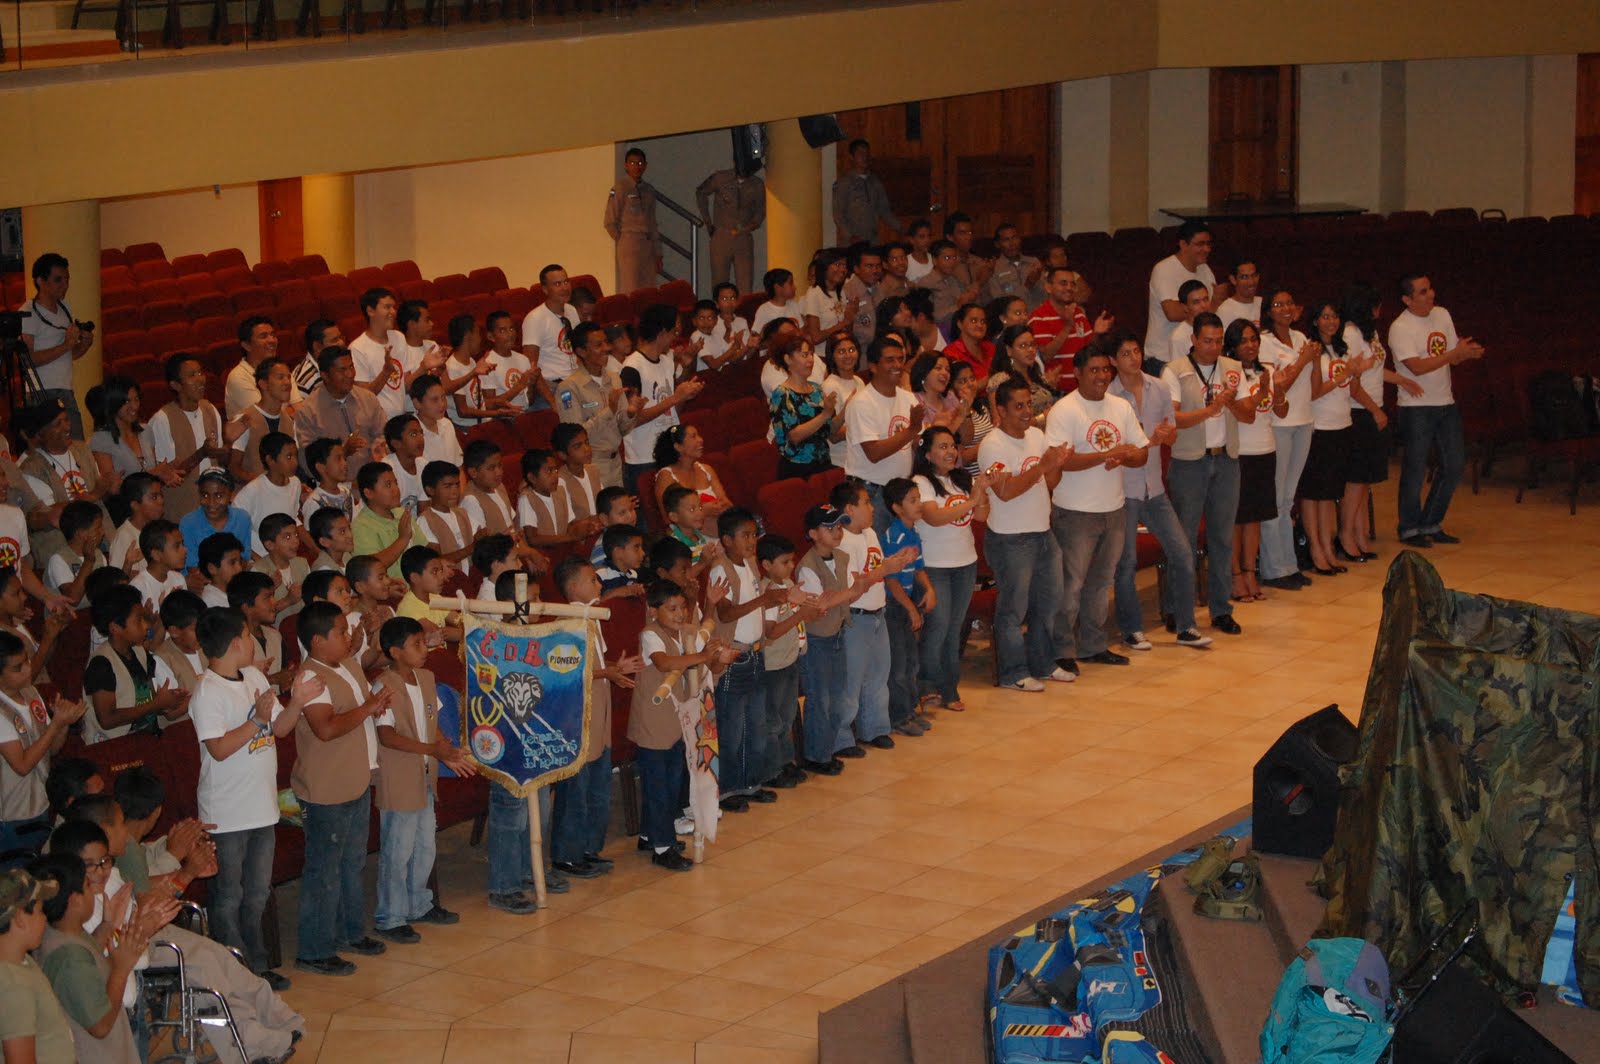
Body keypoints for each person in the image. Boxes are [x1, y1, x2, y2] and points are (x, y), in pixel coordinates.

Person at [192, 606, 321, 987]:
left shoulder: (253, 676)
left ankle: (259, 967)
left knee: (258, 894)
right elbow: (217, 748)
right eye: (249, 635)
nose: (254, 641)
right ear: (235, 642)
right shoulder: (207, 692)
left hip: (261, 808)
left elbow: (280, 728)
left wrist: (296, 701)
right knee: (228, 898)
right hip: (227, 814)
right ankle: (235, 973)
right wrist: (256, 721)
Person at [292, 601, 391, 975]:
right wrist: (369, 708)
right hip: (326, 787)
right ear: (317, 641)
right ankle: (314, 950)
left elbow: (356, 710)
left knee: (352, 863)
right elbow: (327, 728)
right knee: (324, 870)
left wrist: (372, 706)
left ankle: (350, 931)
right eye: (341, 631)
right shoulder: (309, 679)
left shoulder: (347, 664)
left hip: (356, 778)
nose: (348, 636)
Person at [1046, 344, 1151, 677]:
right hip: (1075, 512)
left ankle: (1093, 645)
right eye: (1094, 370)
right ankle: (1062, 649)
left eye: (1105, 369)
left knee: (1100, 582)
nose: (1102, 376)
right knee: (1071, 585)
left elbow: (1142, 453)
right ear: (1076, 373)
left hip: (1114, 508)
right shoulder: (1064, 410)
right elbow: (1061, 462)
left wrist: (1125, 456)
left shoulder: (1120, 406)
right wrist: (1108, 455)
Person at [371, 616, 472, 944]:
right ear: (395, 651)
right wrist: (432, 749)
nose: (424, 648)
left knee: (425, 844)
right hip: (399, 777)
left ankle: (419, 903)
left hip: (425, 776)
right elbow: (387, 736)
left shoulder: (427, 678)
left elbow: (434, 723)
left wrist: (448, 751)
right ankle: (390, 916)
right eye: (416, 644)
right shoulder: (383, 686)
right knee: (397, 849)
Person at [631, 581, 734, 872]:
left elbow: (707, 660)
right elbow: (663, 663)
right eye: (671, 608)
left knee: (672, 780)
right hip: (654, 723)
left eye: (683, 608)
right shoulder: (650, 634)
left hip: (680, 723)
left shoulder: (688, 633)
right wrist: (704, 656)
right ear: (654, 611)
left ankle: (650, 835)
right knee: (658, 785)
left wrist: (717, 658)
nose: (679, 614)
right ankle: (662, 849)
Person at [30, 841, 164, 1064]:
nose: (93, 891)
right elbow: (100, 1025)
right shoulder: (67, 957)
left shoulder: (64, 932)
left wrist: (108, 927)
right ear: (74, 900)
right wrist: (121, 969)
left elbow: (92, 966)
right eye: (85, 885)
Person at [1160, 313, 1250, 636]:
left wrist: (1231, 404)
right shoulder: (1175, 371)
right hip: (1189, 463)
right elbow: (1172, 418)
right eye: (1207, 341)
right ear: (1194, 340)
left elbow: (1249, 414)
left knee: (1222, 539)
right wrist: (1210, 411)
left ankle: (1221, 610)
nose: (1214, 347)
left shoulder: (1233, 369)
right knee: (1182, 541)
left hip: (1226, 460)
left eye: (1219, 341)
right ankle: (1175, 608)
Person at [549, 558, 640, 878]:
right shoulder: (565, 621)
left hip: (598, 708)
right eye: (592, 580)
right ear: (573, 588)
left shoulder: (592, 617)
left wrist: (613, 670)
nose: (599, 585)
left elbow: (596, 664)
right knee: (576, 789)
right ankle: (567, 854)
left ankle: (589, 847)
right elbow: (565, 669)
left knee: (598, 786)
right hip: (576, 715)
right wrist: (609, 671)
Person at [977, 378, 1070, 691]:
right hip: (1010, 539)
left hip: (1043, 532)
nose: (1027, 411)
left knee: (1049, 601)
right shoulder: (992, 444)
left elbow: (1051, 483)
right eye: (1019, 406)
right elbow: (1005, 492)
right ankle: (1013, 673)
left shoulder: (1036, 435)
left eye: (1029, 404)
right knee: (1012, 609)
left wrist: (1057, 464)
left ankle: (1043, 664)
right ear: (1001, 410)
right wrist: (1043, 467)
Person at [1388, 274, 1482, 548]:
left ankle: (1431, 522)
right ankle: (1409, 527)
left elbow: (1451, 354)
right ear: (1407, 299)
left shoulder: (1442, 315)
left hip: (1445, 402)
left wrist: (1469, 353)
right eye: (1423, 292)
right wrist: (1454, 355)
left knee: (1454, 465)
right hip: (1416, 407)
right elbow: (1416, 367)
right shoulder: (1400, 327)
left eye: (1430, 289)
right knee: (1415, 469)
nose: (1431, 295)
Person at [706, 508, 788, 811]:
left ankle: (751, 782)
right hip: (733, 656)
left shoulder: (750, 563)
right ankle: (728, 789)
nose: (752, 541)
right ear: (726, 540)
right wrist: (764, 600)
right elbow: (725, 613)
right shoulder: (720, 569)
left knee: (755, 725)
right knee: (732, 728)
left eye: (754, 535)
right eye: (745, 536)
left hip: (754, 652)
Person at [910, 425, 988, 710]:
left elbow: (981, 516)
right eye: (942, 447)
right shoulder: (920, 482)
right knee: (938, 626)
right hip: (935, 565)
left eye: (952, 446)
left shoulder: (961, 479)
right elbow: (934, 518)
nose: (950, 451)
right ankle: (926, 685)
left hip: (965, 563)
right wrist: (972, 500)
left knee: (954, 628)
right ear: (927, 453)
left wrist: (980, 492)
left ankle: (950, 689)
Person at [1339, 283, 1409, 562]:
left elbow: (1376, 371)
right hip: (1360, 411)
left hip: (1373, 407)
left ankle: (1360, 534)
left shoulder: (1371, 333)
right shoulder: (1351, 334)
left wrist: (1402, 379)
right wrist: (1376, 412)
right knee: (1356, 479)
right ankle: (1346, 535)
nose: (1380, 310)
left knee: (1365, 480)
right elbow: (1354, 385)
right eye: (1376, 305)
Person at [0, 631, 83, 860]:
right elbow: (22, 765)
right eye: (18, 667)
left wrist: (63, 723)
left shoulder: (31, 692)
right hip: (12, 813)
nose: (28, 668)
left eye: (27, 660)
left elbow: (52, 749)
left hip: (41, 803)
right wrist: (55, 725)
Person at [1257, 290, 1319, 591]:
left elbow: (1313, 383)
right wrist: (1304, 359)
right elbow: (1278, 384)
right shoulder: (1265, 343)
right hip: (1279, 425)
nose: (1284, 308)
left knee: (1288, 498)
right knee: (1276, 498)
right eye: (1277, 304)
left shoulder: (1301, 337)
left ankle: (1289, 564)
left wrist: (1311, 358)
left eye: (1289, 304)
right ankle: (1273, 568)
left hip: (1304, 421)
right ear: (1269, 311)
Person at [1299, 300, 1366, 575]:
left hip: (1343, 425)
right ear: (1315, 321)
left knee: (1329, 494)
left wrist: (1354, 374)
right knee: (1312, 493)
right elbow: (1313, 392)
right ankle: (1316, 548)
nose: (1330, 321)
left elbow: (1351, 388)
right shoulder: (1313, 350)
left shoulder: (1341, 349)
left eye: (1334, 316)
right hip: (1319, 427)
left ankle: (1328, 547)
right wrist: (1345, 375)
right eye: (1324, 316)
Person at [1226, 320, 1287, 604]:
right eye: (1243, 340)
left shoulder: (1269, 371)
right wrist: (1262, 392)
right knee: (1237, 518)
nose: (1250, 345)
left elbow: (1280, 412)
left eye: (1254, 339)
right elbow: (1245, 414)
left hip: (1266, 449)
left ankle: (1251, 571)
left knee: (1256, 518)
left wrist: (1280, 393)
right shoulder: (1230, 373)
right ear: (1234, 346)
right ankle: (1235, 575)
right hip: (1240, 453)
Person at [83, 586, 185, 743]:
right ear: (115, 628)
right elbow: (107, 719)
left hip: (148, 737)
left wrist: (168, 700)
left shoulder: (139, 652)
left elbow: (149, 697)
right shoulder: (101, 663)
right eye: (139, 620)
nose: (146, 626)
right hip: (115, 747)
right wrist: (155, 704)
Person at [622, 305, 703, 501]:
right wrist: (675, 397)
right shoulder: (632, 367)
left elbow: (671, 411)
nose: (677, 336)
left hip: (668, 451)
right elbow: (631, 421)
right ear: (662, 332)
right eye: (674, 331)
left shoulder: (666, 361)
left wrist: (683, 396)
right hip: (643, 456)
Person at [844, 337, 923, 536]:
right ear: (873, 366)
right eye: (890, 360)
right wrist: (911, 430)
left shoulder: (908, 398)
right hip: (871, 492)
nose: (897, 365)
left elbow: (916, 443)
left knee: (901, 553)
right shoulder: (862, 402)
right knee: (875, 555)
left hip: (901, 491)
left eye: (900, 359)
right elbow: (874, 452)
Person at [145, 353, 236, 520]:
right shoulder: (163, 419)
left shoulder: (210, 410)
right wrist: (202, 453)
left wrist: (225, 451)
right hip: (183, 509)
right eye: (191, 376)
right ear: (176, 385)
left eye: (200, 373)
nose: (200, 379)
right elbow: (171, 474)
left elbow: (220, 462)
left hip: (213, 506)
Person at [0, 866, 74, 1064]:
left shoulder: (23, 962)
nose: (45, 919)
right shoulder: (13, 984)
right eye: (40, 912)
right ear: (20, 919)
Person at [18, 253, 92, 439]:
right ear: (40, 281)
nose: (64, 285)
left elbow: (69, 355)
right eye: (58, 280)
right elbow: (28, 359)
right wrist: (67, 345)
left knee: (77, 448)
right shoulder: (28, 312)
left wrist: (84, 345)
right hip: (41, 393)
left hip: (65, 390)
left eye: (67, 279)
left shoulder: (64, 307)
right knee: (53, 451)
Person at [881, 478, 933, 737]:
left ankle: (910, 710)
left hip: (908, 601)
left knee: (911, 661)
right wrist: (910, 608)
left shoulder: (913, 532)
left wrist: (929, 589)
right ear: (897, 508)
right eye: (912, 500)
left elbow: (919, 568)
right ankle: (898, 717)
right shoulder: (895, 535)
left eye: (918, 498)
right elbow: (890, 579)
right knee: (899, 664)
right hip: (895, 605)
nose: (919, 504)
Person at [557, 321, 633, 489]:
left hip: (617, 463)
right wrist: (609, 410)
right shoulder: (569, 387)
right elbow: (574, 438)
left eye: (606, 342)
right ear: (581, 352)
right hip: (591, 465)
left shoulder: (614, 378)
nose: (606, 348)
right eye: (599, 345)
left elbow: (623, 428)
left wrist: (631, 413)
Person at [293, 346, 387, 475]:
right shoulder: (308, 411)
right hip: (336, 487)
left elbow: (382, 434)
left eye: (351, 367)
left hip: (372, 479)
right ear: (325, 375)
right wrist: (343, 452)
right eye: (342, 370)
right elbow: (308, 461)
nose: (350, 374)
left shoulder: (367, 398)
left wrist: (379, 447)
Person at [1144, 221, 1221, 370]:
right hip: (1163, 357)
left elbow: (1210, 311)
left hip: (1195, 354)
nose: (1206, 249)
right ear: (1183, 244)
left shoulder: (1205, 269)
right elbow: (1172, 313)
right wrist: (1214, 303)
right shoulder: (1164, 269)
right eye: (1200, 244)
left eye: (1208, 244)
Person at [769, 336, 837, 480]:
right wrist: (825, 414)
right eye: (804, 355)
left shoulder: (816, 389)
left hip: (823, 461)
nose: (811, 360)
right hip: (798, 468)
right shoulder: (782, 394)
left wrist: (848, 407)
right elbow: (794, 436)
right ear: (788, 359)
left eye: (811, 354)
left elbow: (830, 429)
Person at [1030, 266, 1112, 387]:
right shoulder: (1038, 317)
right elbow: (1045, 356)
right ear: (1048, 287)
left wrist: (1097, 333)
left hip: (1081, 389)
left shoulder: (1079, 314)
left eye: (1072, 284)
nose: (1069, 288)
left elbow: (1089, 351)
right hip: (1055, 392)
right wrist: (1067, 326)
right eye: (1063, 283)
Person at [86, 376, 170, 489]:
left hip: (150, 503)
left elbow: (154, 473)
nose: (134, 406)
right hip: (121, 504)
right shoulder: (101, 439)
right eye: (127, 401)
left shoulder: (146, 431)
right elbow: (111, 488)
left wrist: (166, 474)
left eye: (136, 399)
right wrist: (153, 474)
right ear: (114, 403)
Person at [697, 165, 765, 293]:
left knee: (745, 284)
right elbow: (701, 192)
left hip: (743, 236)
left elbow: (761, 210)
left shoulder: (757, 184)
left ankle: (743, 312)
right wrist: (708, 223)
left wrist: (752, 225)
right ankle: (720, 311)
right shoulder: (721, 178)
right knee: (719, 283)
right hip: (722, 233)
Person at [352, 462, 427, 580]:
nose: (395, 489)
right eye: (388, 485)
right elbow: (369, 570)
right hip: (391, 593)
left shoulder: (401, 513)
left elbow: (424, 551)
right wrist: (403, 539)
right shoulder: (360, 526)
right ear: (369, 493)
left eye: (395, 483)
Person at [652, 425, 733, 532]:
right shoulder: (666, 476)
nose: (701, 440)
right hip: (691, 536)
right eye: (693, 437)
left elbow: (726, 504)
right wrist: (702, 511)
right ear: (678, 447)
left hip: (719, 528)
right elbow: (669, 519)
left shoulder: (706, 469)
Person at [521, 264, 581, 410]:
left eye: (566, 281)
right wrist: (552, 401)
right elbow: (531, 364)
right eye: (557, 284)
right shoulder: (535, 318)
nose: (565, 287)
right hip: (553, 386)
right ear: (545, 289)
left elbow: (579, 350)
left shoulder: (571, 310)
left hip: (575, 381)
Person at [229, 357, 298, 483]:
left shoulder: (288, 421)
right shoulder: (245, 419)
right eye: (280, 377)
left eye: (288, 377)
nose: (287, 382)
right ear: (263, 384)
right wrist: (263, 484)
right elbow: (233, 469)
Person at [233, 432, 301, 556]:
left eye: (296, 455)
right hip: (260, 560)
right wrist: (259, 562)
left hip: (285, 557)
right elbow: (235, 534)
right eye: (289, 457)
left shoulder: (295, 484)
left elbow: (294, 518)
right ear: (270, 460)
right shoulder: (251, 492)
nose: (295, 462)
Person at [604, 147, 661, 292]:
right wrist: (622, 239)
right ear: (626, 165)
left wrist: (658, 252)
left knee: (649, 287)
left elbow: (652, 223)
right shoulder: (620, 187)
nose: (637, 167)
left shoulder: (649, 190)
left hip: (647, 243)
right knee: (631, 287)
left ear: (646, 165)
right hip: (629, 241)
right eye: (633, 163)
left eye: (640, 163)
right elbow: (610, 221)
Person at [225, 316, 302, 420]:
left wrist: (287, 412)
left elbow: (299, 409)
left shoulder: (280, 368)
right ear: (247, 345)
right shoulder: (238, 377)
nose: (272, 340)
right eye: (263, 336)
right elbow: (267, 416)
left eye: (273, 335)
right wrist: (288, 411)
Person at [179, 468, 254, 571]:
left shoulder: (242, 519)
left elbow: (244, 559)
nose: (211, 503)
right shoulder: (189, 523)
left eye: (219, 496)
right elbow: (193, 569)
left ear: (231, 495)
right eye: (205, 495)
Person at [833, 139, 899, 245]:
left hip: (872, 240)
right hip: (853, 241)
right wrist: (849, 236)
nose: (865, 157)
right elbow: (838, 214)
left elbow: (884, 210)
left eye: (867, 153)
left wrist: (900, 228)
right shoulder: (844, 183)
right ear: (852, 157)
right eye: (860, 153)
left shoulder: (875, 182)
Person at [986, 325, 1058, 420]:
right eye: (1023, 346)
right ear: (1009, 350)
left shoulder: (1037, 376)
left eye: (1032, 344)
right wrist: (1042, 418)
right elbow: (999, 423)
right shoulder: (1000, 380)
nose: (1030, 350)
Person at [821, 336, 866, 470]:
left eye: (851, 350)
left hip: (860, 455)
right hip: (841, 460)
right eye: (841, 352)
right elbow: (833, 435)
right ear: (832, 356)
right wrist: (866, 426)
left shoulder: (859, 381)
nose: (848, 355)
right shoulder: (830, 386)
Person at [800, 249, 854, 348]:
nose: (842, 269)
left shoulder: (840, 292)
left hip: (838, 351)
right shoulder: (814, 293)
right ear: (824, 267)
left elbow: (847, 326)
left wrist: (851, 315)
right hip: (822, 355)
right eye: (837, 264)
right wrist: (842, 324)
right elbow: (816, 337)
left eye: (844, 265)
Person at [986, 223, 1045, 306]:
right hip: (1011, 316)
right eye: (1006, 240)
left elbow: (1046, 294)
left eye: (1015, 238)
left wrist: (1036, 284)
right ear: (997, 244)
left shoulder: (1033, 262)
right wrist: (1027, 286)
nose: (1012, 243)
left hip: (1037, 314)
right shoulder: (993, 268)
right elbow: (998, 303)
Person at [841, 245, 885, 347]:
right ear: (856, 269)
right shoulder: (847, 292)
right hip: (858, 350)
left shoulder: (880, 289)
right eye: (869, 266)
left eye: (878, 266)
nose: (875, 270)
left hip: (879, 349)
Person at [292, 318, 343, 396]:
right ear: (317, 347)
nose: (341, 343)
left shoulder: (341, 363)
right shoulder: (304, 382)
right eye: (334, 340)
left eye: (340, 337)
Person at [943, 303, 994, 377]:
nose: (979, 325)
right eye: (974, 321)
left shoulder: (991, 348)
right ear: (960, 324)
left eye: (983, 322)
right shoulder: (951, 353)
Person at [751, 269, 803, 335]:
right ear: (778, 288)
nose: (795, 287)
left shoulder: (794, 305)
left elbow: (801, 330)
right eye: (791, 283)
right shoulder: (764, 310)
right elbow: (755, 335)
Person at [1217, 259, 1262, 330]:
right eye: (1244, 277)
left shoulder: (1264, 303)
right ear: (1233, 280)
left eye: (1254, 275)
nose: (1251, 282)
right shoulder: (1225, 311)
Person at [904, 219, 935, 284]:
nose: (927, 240)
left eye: (929, 236)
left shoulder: (935, 259)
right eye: (922, 237)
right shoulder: (905, 262)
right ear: (911, 239)